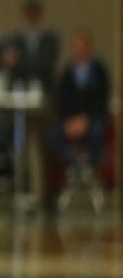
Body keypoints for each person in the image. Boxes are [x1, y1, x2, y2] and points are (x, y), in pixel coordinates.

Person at [49, 29, 111, 185]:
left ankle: (89, 168)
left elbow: (102, 100)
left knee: (97, 132)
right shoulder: (67, 72)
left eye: (83, 47)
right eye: (76, 47)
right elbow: (62, 101)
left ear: (89, 48)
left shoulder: (99, 71)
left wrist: (85, 120)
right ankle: (75, 166)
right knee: (53, 134)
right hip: (70, 120)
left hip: (92, 119)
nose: (80, 50)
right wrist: (70, 121)